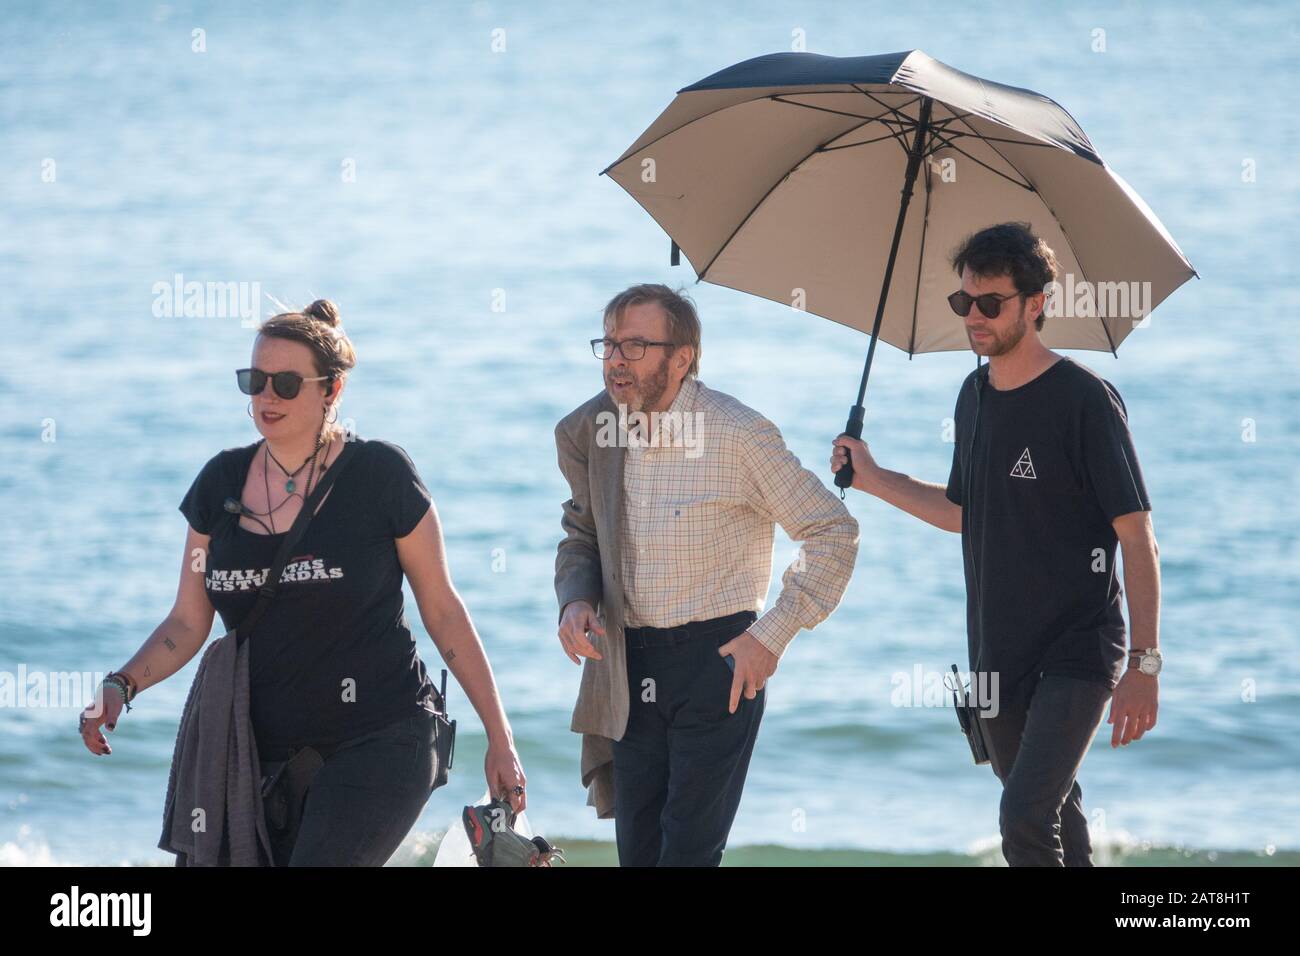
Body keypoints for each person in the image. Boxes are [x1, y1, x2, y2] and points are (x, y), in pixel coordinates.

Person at [79, 299, 527, 865]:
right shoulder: (219, 484)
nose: (266, 398)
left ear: (331, 392)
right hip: (261, 756)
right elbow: (188, 621)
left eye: (286, 384)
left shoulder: (380, 477)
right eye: (255, 381)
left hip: (384, 736)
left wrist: (499, 736)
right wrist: (121, 686)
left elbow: (441, 610)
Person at [831, 223, 1162, 867]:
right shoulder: (973, 396)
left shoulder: (1085, 401)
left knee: (1024, 818)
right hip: (996, 655)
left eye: (991, 304)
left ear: (1035, 303)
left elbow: (1137, 536)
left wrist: (1145, 666)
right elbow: (962, 513)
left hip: (1078, 649)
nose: (974, 319)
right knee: (1053, 811)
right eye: (964, 303)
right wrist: (873, 478)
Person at [554, 283, 859, 866]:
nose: (616, 359)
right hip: (628, 664)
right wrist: (575, 601)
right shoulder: (593, 429)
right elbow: (582, 534)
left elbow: (832, 531)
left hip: (718, 662)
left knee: (687, 857)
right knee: (639, 856)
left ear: (682, 357)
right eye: (610, 344)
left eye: (635, 345)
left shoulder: (737, 432)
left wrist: (771, 636)